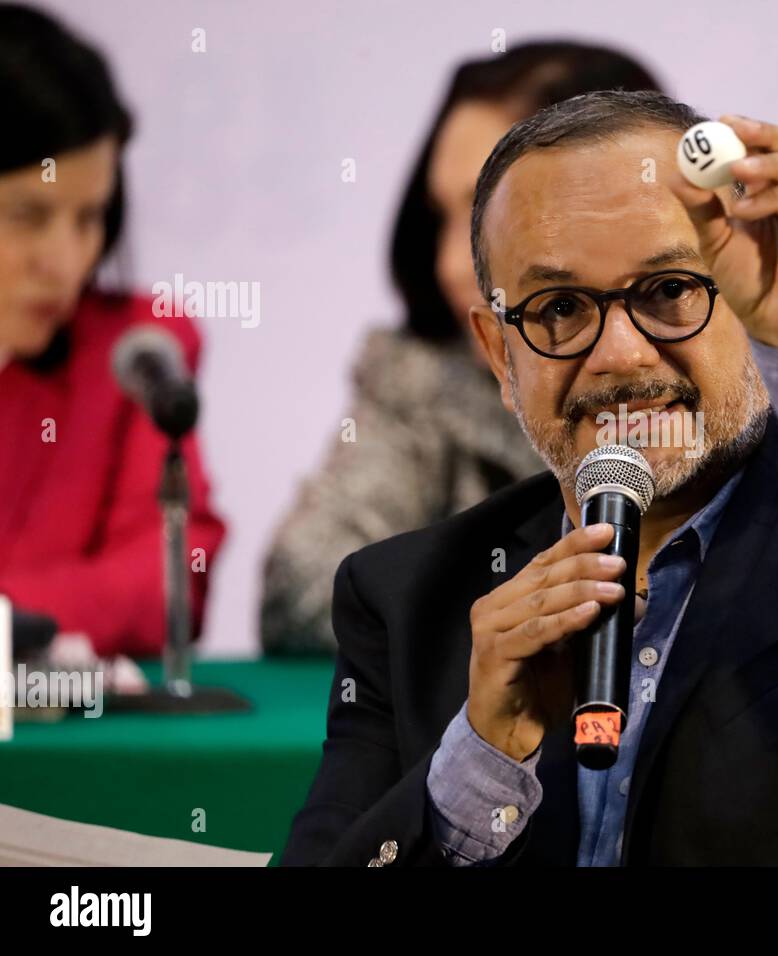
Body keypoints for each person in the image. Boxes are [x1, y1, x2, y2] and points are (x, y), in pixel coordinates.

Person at [282, 90, 778, 866]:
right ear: (497, 351)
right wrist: (479, 762)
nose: (619, 354)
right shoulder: (407, 599)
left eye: (670, 291)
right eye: (559, 308)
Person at [259, 42, 664, 655]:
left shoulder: (721, 369)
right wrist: (522, 623)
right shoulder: (420, 376)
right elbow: (301, 589)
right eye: (442, 215)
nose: (452, 265)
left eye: (483, 215)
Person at [0, 4, 225, 659]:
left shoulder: (137, 349)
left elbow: (165, 581)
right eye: (27, 215)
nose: (67, 262)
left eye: (89, 217)